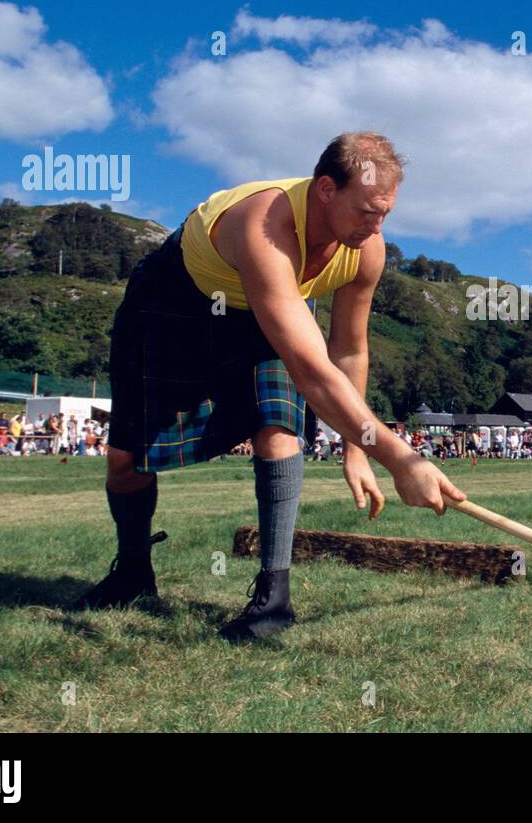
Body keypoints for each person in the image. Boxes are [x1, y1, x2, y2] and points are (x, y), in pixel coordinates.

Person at [77, 132, 466, 641]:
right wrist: (404, 460)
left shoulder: (366, 251)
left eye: (386, 214)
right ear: (325, 189)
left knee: (278, 425)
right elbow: (312, 369)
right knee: (126, 461)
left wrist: (360, 449)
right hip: (173, 306)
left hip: (268, 313)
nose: (376, 228)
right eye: (367, 211)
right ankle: (132, 571)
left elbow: (347, 351)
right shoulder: (264, 225)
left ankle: (273, 598)